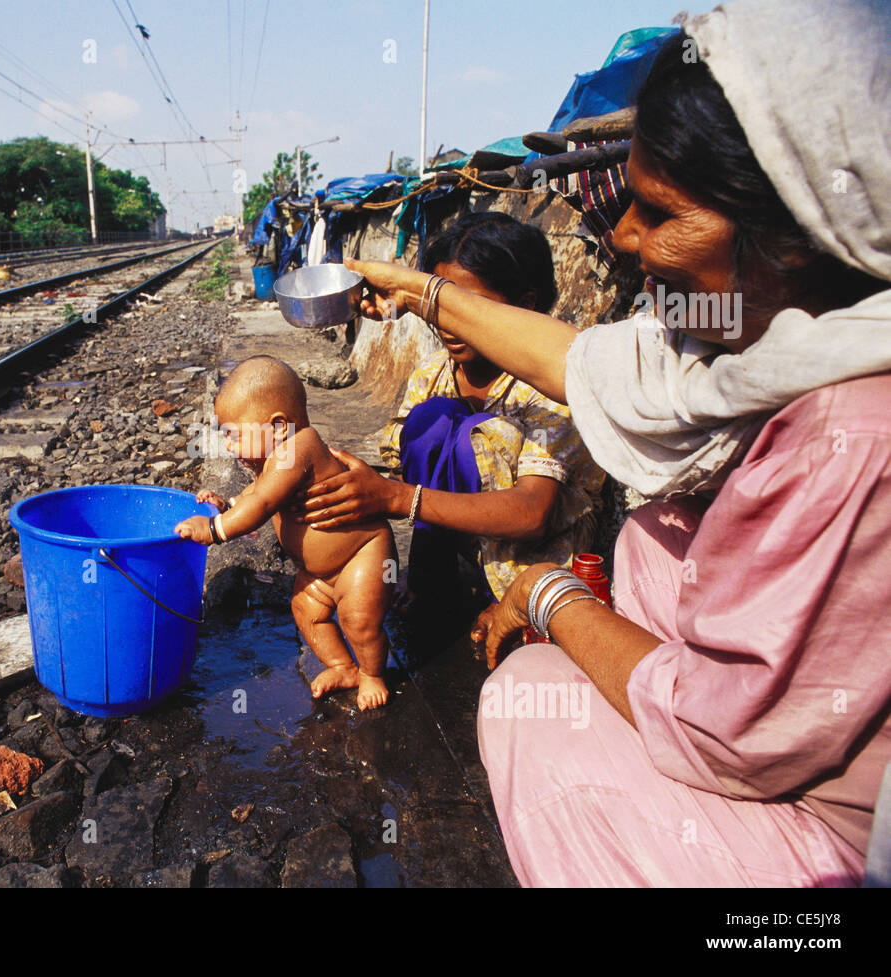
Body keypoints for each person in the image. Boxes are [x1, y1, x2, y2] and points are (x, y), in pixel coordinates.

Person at [343, 0, 891, 886]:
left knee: (529, 700)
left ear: (798, 228)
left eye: (658, 212)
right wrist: (417, 292)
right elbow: (603, 364)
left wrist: (551, 595)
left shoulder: (851, 429)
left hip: (820, 827)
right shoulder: (767, 341)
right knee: (650, 548)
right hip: (506, 594)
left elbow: (725, 733)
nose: (627, 240)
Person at [366, 211, 604, 622]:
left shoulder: (552, 386)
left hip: (534, 559)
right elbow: (406, 470)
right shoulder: (433, 374)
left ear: (524, 305)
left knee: (476, 433)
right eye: (444, 308)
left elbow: (532, 514)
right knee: (434, 419)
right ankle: (433, 579)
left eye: (469, 308)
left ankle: (509, 598)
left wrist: (398, 498)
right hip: (464, 544)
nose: (451, 325)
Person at [174, 355, 397, 710]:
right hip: (318, 574)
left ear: (278, 427)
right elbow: (254, 495)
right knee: (306, 611)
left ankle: (371, 674)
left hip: (362, 556)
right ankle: (343, 666)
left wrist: (216, 529)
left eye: (233, 435)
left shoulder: (300, 449)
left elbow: (261, 503)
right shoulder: (275, 461)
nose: (230, 447)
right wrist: (227, 504)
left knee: (359, 621)